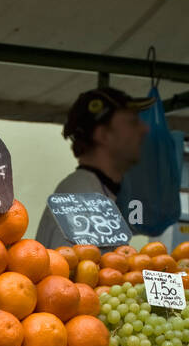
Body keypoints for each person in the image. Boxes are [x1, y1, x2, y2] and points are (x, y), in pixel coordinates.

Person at [35, 87, 152, 247]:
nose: (144, 129)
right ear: (103, 135)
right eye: (132, 123)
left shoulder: (100, 191)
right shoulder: (81, 198)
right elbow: (70, 269)